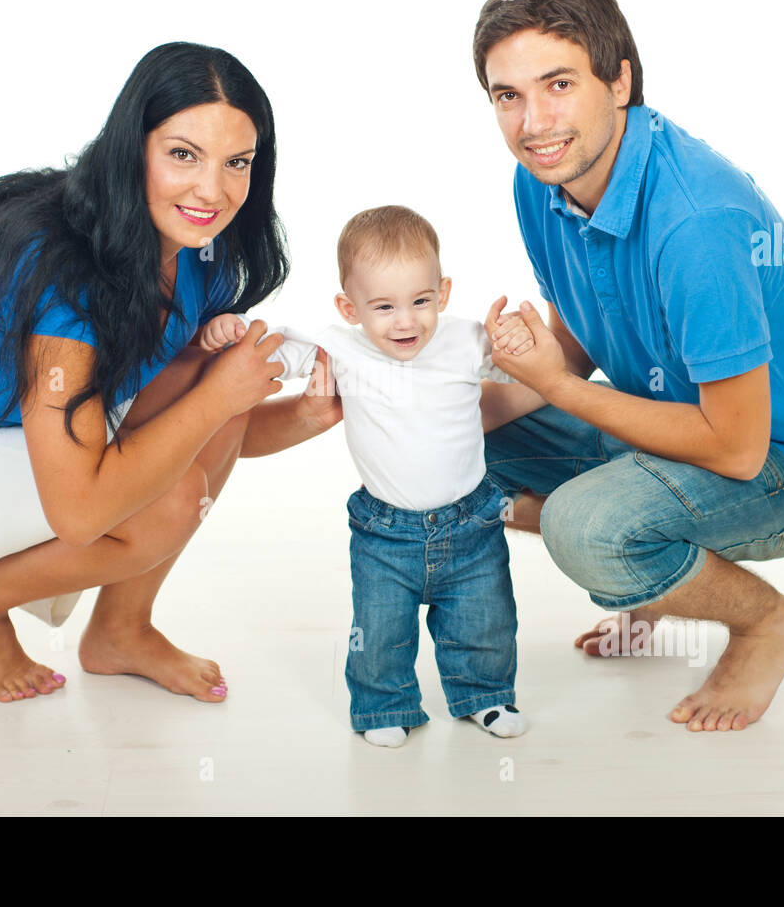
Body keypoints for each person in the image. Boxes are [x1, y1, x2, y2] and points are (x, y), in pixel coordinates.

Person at [0, 42, 341, 705]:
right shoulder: (64, 275)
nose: (212, 191)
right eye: (183, 154)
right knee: (162, 499)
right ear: (132, 147)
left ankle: (120, 633)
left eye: (237, 163)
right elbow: (81, 515)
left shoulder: (198, 252)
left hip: (21, 439)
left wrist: (304, 413)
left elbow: (218, 426)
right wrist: (221, 393)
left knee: (213, 375)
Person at [472, 0, 784, 732]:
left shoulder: (696, 222)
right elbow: (587, 328)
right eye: (508, 96)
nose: (534, 123)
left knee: (583, 530)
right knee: (455, 437)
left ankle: (764, 623)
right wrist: (445, 403)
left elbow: (735, 446)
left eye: (559, 84)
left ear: (619, 78)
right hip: (669, 428)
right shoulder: (544, 180)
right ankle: (646, 579)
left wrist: (554, 388)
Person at [199, 206, 534, 747]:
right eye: (384, 307)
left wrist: (514, 340)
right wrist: (230, 332)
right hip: (386, 533)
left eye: (421, 302)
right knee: (379, 632)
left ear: (442, 294)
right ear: (349, 308)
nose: (406, 321)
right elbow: (274, 353)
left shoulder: (466, 339)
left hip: (471, 522)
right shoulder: (341, 346)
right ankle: (384, 706)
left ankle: (485, 694)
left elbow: (520, 368)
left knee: (485, 618)